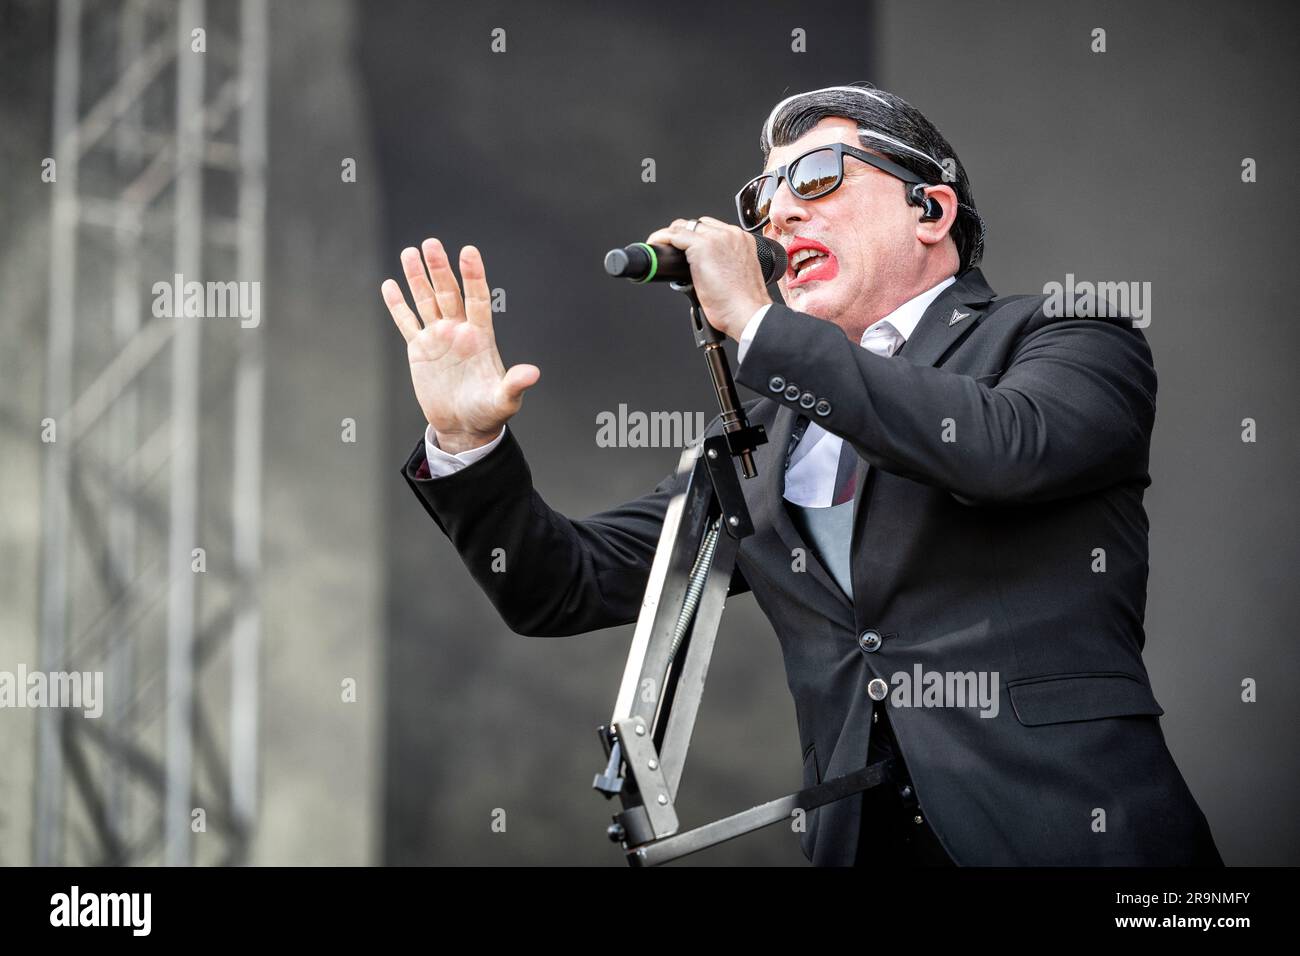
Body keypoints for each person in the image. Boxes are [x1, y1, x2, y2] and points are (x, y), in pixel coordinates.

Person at [380, 82, 1223, 866]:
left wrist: (754, 322)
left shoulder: (1067, 333)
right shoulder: (774, 431)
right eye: (761, 198)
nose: (775, 214)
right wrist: (466, 443)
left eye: (815, 178)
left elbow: (1000, 450)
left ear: (930, 207)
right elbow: (558, 587)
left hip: (1075, 830)